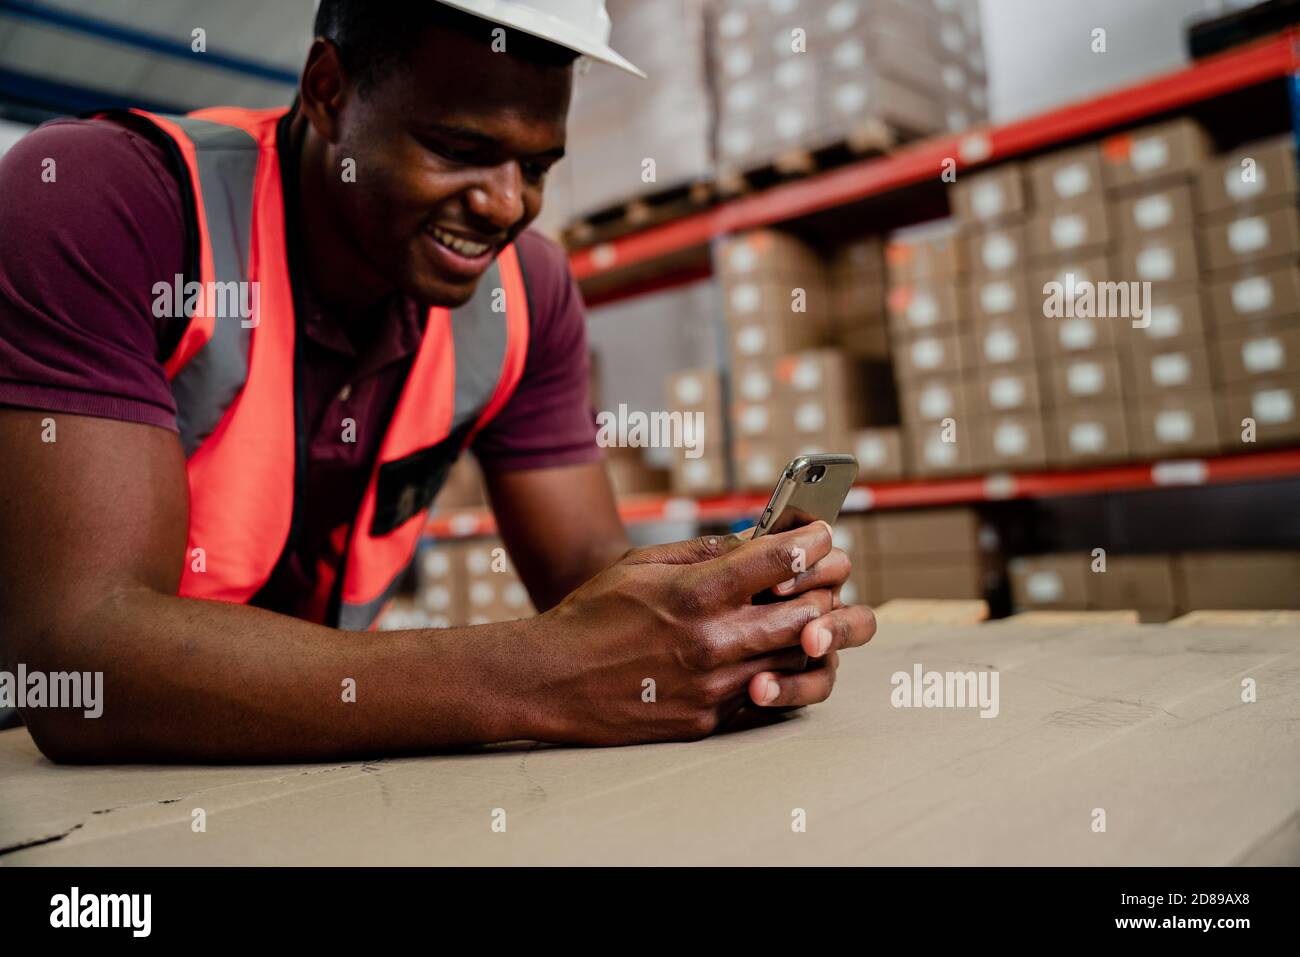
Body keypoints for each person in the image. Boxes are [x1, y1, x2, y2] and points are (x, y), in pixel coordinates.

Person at [0, 0, 875, 762]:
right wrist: (547, 674)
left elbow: (587, 577)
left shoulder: (530, 295)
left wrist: (720, 625)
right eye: (460, 148)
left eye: (537, 167)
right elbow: (78, 658)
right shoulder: (105, 201)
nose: (506, 205)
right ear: (328, 90)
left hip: (313, 772)